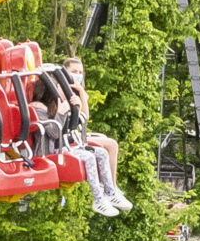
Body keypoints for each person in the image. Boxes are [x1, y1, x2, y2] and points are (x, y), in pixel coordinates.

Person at [34, 66, 129, 217]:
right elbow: (52, 132)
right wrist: (61, 112)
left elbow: (74, 124)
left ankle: (110, 192)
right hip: (52, 150)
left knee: (102, 153)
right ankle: (98, 199)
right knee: (90, 157)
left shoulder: (56, 106)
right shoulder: (38, 108)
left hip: (63, 144)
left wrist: (76, 106)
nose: (61, 92)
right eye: (58, 88)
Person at [62, 55, 121, 182]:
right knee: (112, 145)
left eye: (80, 72)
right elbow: (81, 117)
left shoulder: (78, 92)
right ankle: (111, 186)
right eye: (74, 72)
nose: (77, 75)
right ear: (65, 73)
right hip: (67, 136)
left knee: (103, 137)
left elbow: (85, 116)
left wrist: (82, 94)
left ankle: (105, 181)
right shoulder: (62, 91)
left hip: (75, 132)